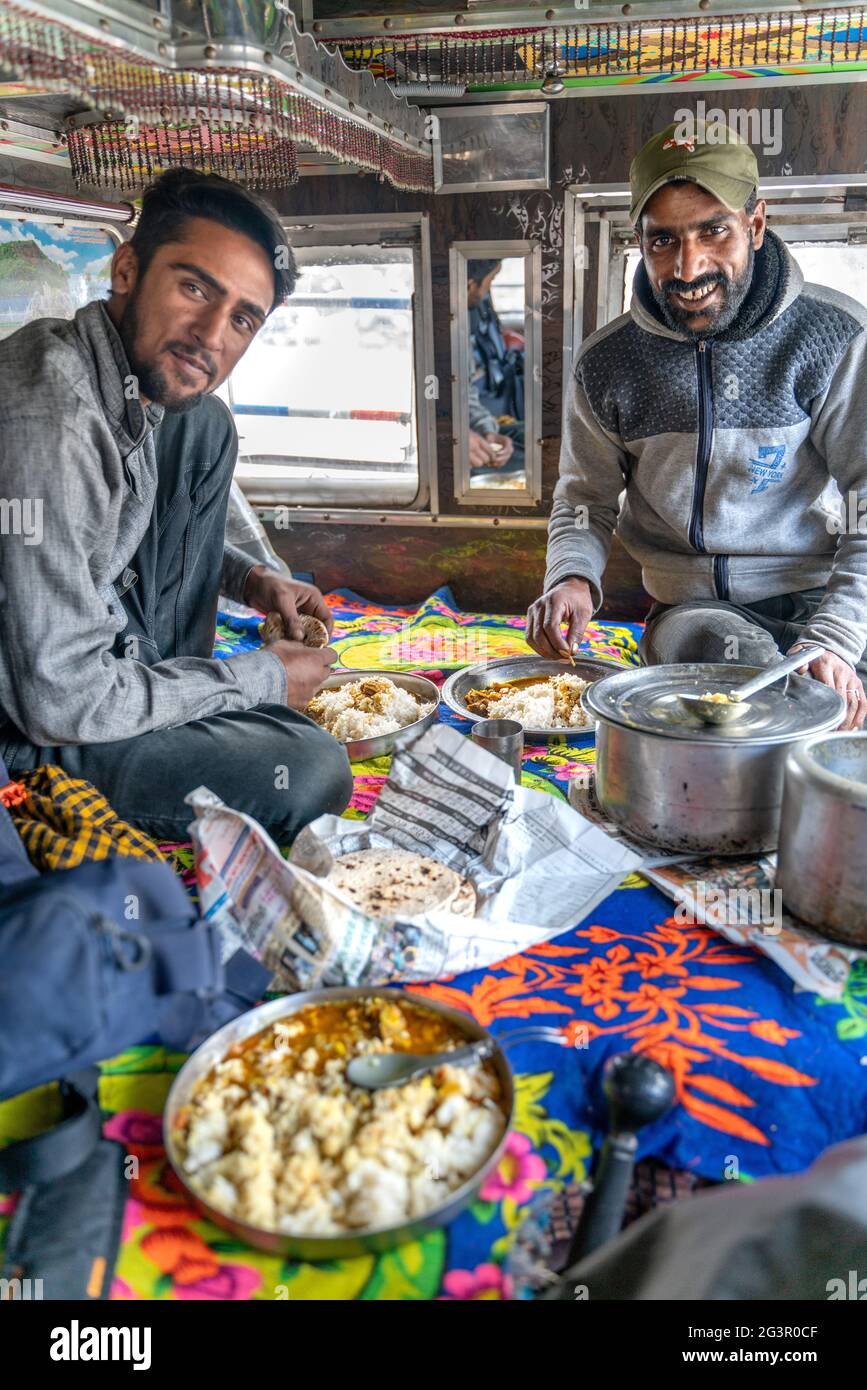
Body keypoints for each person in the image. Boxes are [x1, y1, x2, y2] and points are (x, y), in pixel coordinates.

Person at [0, 168, 353, 844]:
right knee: (307, 768)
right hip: (27, 727)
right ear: (127, 269)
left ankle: (172, 699)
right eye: (194, 288)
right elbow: (62, 702)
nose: (210, 335)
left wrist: (251, 579)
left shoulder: (127, 379)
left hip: (99, 658)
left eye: (243, 319)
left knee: (202, 422)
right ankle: (180, 710)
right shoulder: (53, 423)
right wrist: (256, 679)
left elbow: (107, 531)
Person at [526, 120, 867, 730]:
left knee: (841, 712)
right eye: (663, 241)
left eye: (714, 231)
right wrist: (573, 577)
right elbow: (585, 497)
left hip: (825, 591)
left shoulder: (834, 337)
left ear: (755, 225)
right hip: (694, 611)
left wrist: (837, 637)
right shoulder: (607, 363)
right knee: (743, 687)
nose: (688, 268)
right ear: (639, 240)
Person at [465, 259, 521, 475]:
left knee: (527, 436)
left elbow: (465, 396)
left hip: (464, 431)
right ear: (470, 285)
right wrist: (458, 436)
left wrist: (486, 431)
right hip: (436, 448)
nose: (489, 290)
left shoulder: (463, 324)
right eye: (491, 281)